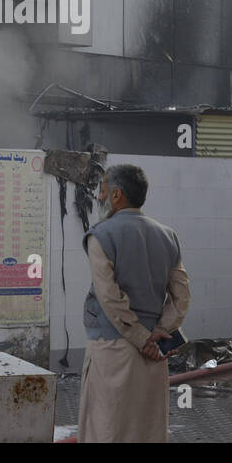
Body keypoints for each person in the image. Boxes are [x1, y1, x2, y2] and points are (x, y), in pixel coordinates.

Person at [78, 163, 190, 442]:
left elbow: (109, 297)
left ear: (117, 195)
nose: (99, 197)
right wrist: (159, 335)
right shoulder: (167, 235)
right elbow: (182, 294)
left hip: (112, 351)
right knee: (147, 430)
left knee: (106, 428)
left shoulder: (101, 235)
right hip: (154, 356)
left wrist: (142, 339)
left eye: (102, 191)